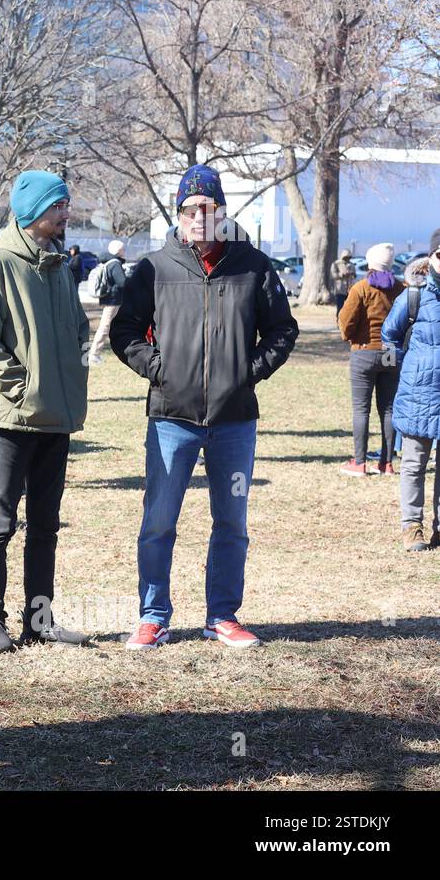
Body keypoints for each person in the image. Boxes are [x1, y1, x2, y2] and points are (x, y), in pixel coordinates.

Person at [110, 164, 299, 650]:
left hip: (234, 420)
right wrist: (159, 369)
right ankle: (153, 617)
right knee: (158, 521)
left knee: (231, 523)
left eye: (208, 208)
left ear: (221, 212)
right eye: (190, 208)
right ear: (178, 213)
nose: (199, 216)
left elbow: (282, 330)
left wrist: (247, 371)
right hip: (171, 417)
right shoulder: (155, 267)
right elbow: (124, 331)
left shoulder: (253, 265)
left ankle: (223, 615)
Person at [0, 170, 91, 653]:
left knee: (45, 525)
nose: (66, 213)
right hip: (11, 420)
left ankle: (38, 621)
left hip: (56, 418)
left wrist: (76, 372)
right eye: (59, 206)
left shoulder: (60, 267)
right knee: (0, 523)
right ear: (35, 211)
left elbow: (78, 328)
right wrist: (21, 390)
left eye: (65, 205)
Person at [382, 247, 440, 552]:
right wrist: (405, 367)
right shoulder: (412, 298)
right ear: (430, 258)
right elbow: (389, 335)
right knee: (414, 464)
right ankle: (412, 526)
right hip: (419, 395)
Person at [337, 242, 404, 477]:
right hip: (390, 353)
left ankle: (359, 462)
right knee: (388, 409)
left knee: (361, 409)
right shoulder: (401, 289)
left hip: (364, 352)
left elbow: (346, 322)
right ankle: (386, 463)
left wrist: (350, 338)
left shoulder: (361, 288)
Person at [87, 240, 128, 365]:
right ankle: (94, 354)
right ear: (119, 251)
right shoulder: (115, 263)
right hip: (114, 300)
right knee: (105, 326)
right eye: (123, 249)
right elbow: (122, 282)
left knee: (112, 325)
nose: (124, 251)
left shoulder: (108, 262)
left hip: (110, 299)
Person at [331, 248, 356, 315]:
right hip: (340, 289)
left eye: (349, 257)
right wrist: (342, 274)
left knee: (350, 307)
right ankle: (338, 321)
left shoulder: (351, 265)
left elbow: (354, 275)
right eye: (346, 257)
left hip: (349, 289)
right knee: (340, 307)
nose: (347, 259)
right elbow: (333, 275)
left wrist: (352, 274)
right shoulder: (336, 264)